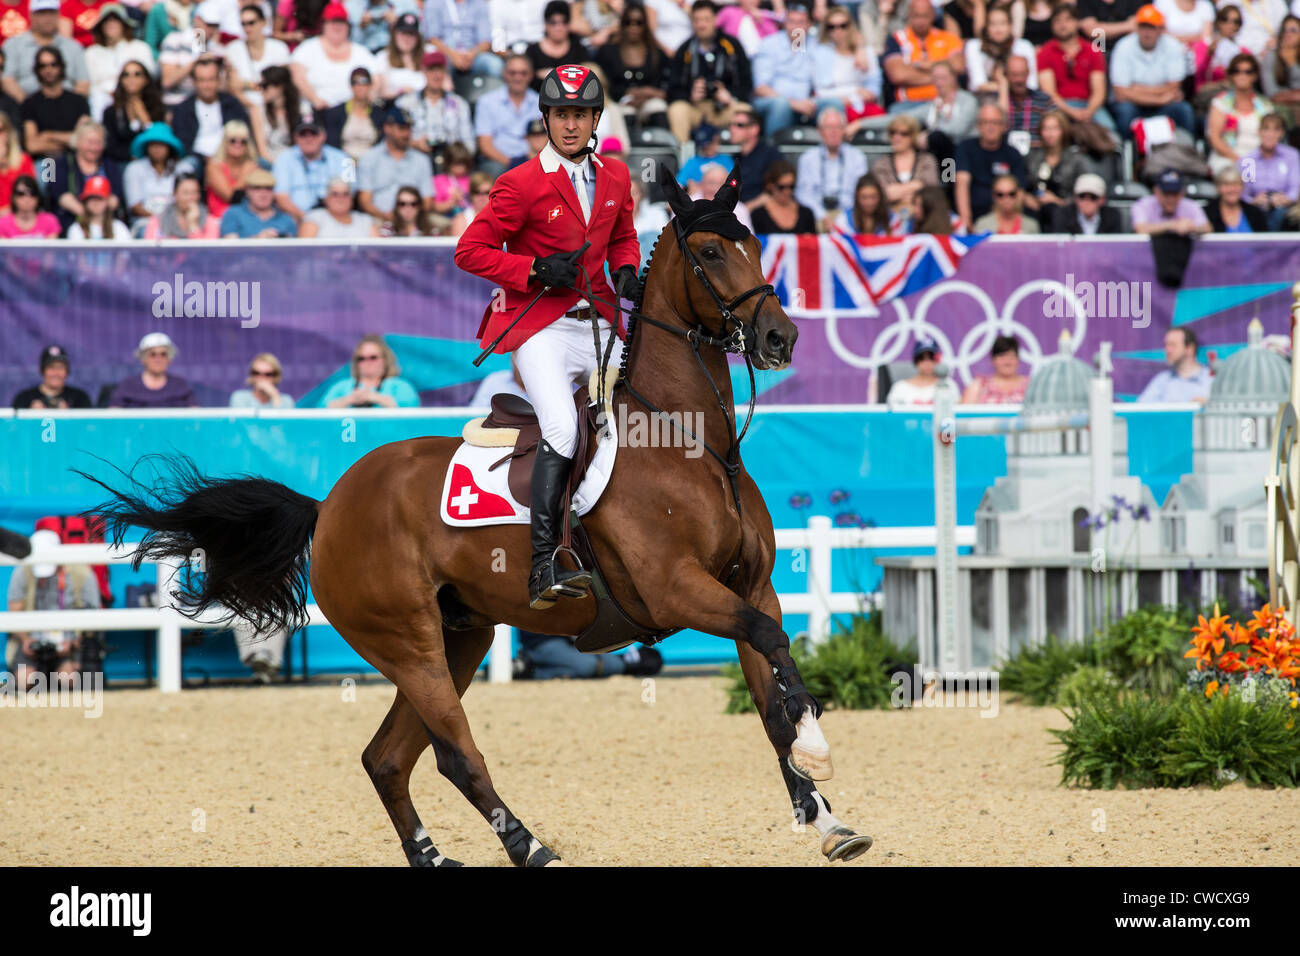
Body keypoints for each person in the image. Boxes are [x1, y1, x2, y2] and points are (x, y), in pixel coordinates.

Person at [454, 63, 640, 610]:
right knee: (561, 426)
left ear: (595, 119)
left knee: (639, 422)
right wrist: (533, 271)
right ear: (547, 118)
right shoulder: (520, 184)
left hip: (602, 323)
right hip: (544, 329)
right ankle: (544, 563)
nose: (570, 125)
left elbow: (624, 236)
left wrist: (626, 270)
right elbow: (469, 251)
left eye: (579, 114)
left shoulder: (616, 177)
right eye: (561, 114)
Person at [6, 528, 101, 692]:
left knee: (69, 679)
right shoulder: (23, 571)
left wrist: (74, 642)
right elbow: (15, 611)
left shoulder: (81, 573)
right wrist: (25, 640)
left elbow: (92, 614)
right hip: (31, 639)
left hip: (68, 641)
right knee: (23, 680)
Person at [664, 0, 752, 144]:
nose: (701, 25)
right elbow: (672, 90)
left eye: (706, 19)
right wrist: (690, 96)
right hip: (695, 108)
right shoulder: (684, 50)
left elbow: (746, 84)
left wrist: (730, 96)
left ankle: (744, 163)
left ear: (715, 20)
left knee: (745, 111)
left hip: (724, 108)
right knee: (677, 110)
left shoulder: (732, 46)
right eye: (697, 20)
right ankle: (684, 160)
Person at [1108, 4, 1194, 137]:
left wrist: (1134, 89)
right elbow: (1120, 93)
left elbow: (1174, 88)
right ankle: (1125, 153)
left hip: (1163, 106)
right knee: (1125, 111)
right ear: (1137, 28)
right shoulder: (1123, 46)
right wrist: (1160, 98)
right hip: (1135, 105)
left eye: (1152, 27)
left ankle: (1188, 151)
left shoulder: (1173, 45)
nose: (1147, 33)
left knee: (1184, 110)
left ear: (1160, 29)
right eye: (1143, 27)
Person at [881, 0, 964, 119]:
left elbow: (958, 66)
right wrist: (942, 75)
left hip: (945, 100)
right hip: (908, 103)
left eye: (925, 16)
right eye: (916, 16)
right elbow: (898, 75)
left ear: (933, 15)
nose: (920, 21)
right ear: (909, 15)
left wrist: (924, 65)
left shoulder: (948, 38)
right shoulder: (897, 39)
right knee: (896, 117)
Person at [291, 2, 379, 113]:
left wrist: (367, 98)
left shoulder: (361, 52)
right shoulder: (308, 48)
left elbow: (376, 79)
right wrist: (315, 99)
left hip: (352, 111)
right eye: (333, 22)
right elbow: (297, 77)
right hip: (317, 110)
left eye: (342, 22)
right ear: (324, 25)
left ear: (348, 26)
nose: (337, 26)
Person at [1037, 3, 1112, 132]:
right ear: (1052, 25)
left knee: (1110, 129)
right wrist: (1072, 112)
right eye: (1058, 21)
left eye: (1068, 19)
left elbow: (1099, 91)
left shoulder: (1093, 50)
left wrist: (1088, 112)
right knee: (1052, 128)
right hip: (1058, 106)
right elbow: (1049, 93)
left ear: (1077, 22)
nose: (1063, 25)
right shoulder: (1045, 52)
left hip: (1089, 105)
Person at [593, 2, 667, 128]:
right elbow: (605, 85)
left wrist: (646, 94)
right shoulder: (608, 51)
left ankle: (663, 147)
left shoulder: (656, 53)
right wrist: (628, 93)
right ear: (622, 24)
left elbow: (664, 84)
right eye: (628, 22)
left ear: (645, 25)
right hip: (620, 103)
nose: (633, 27)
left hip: (650, 101)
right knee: (625, 113)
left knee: (657, 107)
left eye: (638, 22)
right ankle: (624, 148)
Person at [750, 2, 818, 135]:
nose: (796, 27)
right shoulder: (768, 44)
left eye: (801, 22)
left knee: (831, 103)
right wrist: (793, 103)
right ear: (784, 23)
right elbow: (760, 88)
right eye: (791, 22)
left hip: (807, 102)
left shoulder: (816, 45)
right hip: (772, 101)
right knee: (781, 106)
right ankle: (773, 154)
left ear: (809, 24)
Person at [955, 101, 1025, 230]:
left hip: (1005, 212)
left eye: (995, 122)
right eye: (985, 122)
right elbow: (961, 183)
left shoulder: (1013, 153)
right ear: (978, 126)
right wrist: (965, 218)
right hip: (974, 211)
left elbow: (1019, 191)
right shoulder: (965, 148)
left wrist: (1012, 224)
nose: (990, 127)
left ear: (1004, 126)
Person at [1, 0, 89, 102]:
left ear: (58, 15)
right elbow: (7, 80)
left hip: (67, 106)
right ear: (31, 15)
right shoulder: (13, 45)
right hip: (25, 106)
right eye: (42, 13)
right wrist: (28, 106)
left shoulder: (72, 46)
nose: (47, 19)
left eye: (51, 13)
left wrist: (71, 106)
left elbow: (83, 82)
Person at [794, 105, 866, 231]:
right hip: (816, 217)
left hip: (850, 216)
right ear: (820, 131)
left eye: (838, 127)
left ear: (844, 130)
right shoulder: (807, 158)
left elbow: (861, 192)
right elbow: (803, 194)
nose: (833, 132)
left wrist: (843, 218)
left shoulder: (857, 157)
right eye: (828, 128)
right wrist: (822, 216)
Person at [813, 4, 884, 129]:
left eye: (843, 26)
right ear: (826, 29)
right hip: (834, 105)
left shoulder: (866, 51)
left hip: (862, 105)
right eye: (832, 27)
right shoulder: (821, 53)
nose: (837, 31)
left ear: (850, 26)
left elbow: (874, 89)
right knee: (834, 116)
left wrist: (860, 47)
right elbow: (820, 91)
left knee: (880, 117)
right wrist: (854, 93)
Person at [356, 104, 430, 218]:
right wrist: (387, 217)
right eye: (401, 128)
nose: (406, 134)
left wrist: (408, 219)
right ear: (387, 128)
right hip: (379, 219)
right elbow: (365, 202)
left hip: (415, 220)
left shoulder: (422, 160)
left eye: (409, 128)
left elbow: (428, 201)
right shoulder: (369, 158)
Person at [1205, 52, 1272, 177]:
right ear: (1231, 75)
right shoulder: (1220, 103)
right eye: (1237, 71)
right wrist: (1239, 160)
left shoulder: (1265, 106)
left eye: (1248, 71)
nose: (1242, 75)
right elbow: (1214, 138)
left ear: (1255, 75)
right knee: (1235, 178)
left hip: (1259, 157)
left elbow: (1272, 136)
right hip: (1228, 157)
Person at [170, 55, 250, 161]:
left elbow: (243, 134)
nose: (207, 85)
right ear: (194, 82)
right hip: (196, 160)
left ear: (218, 81)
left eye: (211, 79)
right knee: (186, 168)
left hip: (230, 159)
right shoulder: (182, 110)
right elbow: (182, 146)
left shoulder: (232, 104)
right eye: (202, 80)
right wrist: (207, 160)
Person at [271, 117, 350, 223]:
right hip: (297, 219)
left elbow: (350, 193)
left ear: (323, 135)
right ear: (295, 137)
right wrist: (307, 219)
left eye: (313, 133)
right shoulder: (282, 159)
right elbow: (281, 198)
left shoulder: (344, 158)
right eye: (303, 134)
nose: (309, 139)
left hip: (335, 217)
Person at [84, 3, 154, 121]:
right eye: (106, 21)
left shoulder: (140, 47)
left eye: (116, 20)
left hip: (136, 97)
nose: (111, 24)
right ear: (101, 26)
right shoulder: (91, 52)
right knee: (97, 98)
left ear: (124, 24)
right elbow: (90, 84)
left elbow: (148, 78)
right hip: (103, 100)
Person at [474, 51, 540, 176]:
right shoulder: (487, 102)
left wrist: (528, 163)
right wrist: (512, 164)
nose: (518, 77)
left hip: (532, 161)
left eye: (523, 73)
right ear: (504, 74)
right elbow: (485, 144)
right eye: (512, 73)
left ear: (531, 75)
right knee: (494, 170)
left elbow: (545, 141)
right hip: (500, 162)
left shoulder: (540, 103)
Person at [20, 43, 89, 160]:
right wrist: (68, 142)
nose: (48, 70)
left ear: (61, 66)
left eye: (53, 64)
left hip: (76, 160)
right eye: (43, 65)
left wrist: (48, 135)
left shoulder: (78, 101)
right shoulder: (30, 103)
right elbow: (32, 146)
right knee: (49, 174)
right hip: (47, 159)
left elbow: (82, 140)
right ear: (37, 69)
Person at [399, 51, 474, 157]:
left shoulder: (459, 104)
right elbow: (394, 139)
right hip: (416, 157)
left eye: (440, 70)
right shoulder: (406, 103)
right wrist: (414, 143)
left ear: (445, 72)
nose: (436, 75)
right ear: (424, 71)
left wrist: (455, 153)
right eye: (431, 70)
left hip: (451, 161)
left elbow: (469, 144)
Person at [1022, 109, 1088, 227]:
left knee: (1055, 213)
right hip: (1034, 210)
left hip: (1066, 213)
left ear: (1063, 131)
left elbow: (1084, 193)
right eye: (1046, 128)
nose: (1050, 133)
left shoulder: (1075, 160)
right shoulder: (1031, 157)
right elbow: (1021, 186)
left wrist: (1058, 201)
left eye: (1054, 128)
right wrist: (1027, 198)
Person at [871, 112, 940, 222]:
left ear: (913, 136)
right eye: (893, 132)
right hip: (889, 218)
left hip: (923, 217)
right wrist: (917, 185)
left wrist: (897, 192)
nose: (897, 137)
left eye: (903, 133)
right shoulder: (881, 163)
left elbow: (931, 191)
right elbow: (883, 194)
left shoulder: (926, 160)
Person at [514, 631, 663, 679]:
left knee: (591, 664)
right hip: (542, 639)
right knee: (589, 665)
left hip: (561, 641)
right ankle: (528, 667)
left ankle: (528, 667)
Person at [321, 333, 419, 406]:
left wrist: (375, 398)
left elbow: (410, 415)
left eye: (373, 357)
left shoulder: (400, 387)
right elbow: (320, 413)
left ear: (385, 360)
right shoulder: (341, 387)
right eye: (361, 358)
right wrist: (349, 399)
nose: (367, 362)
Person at [157, 1, 223, 108]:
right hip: (176, 105)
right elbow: (167, 81)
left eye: (216, 25)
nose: (212, 29)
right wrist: (197, 61)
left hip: (205, 107)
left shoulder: (214, 49)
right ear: (197, 20)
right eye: (209, 24)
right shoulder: (175, 40)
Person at [226, 4, 291, 110]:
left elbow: (282, 85)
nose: (247, 28)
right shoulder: (233, 48)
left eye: (251, 23)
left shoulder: (279, 47)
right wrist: (254, 108)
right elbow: (233, 87)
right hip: (244, 107)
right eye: (243, 24)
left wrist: (247, 85)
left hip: (275, 108)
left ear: (264, 22)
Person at [109, 331, 200, 407]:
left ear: (169, 359)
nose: (158, 359)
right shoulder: (127, 386)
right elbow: (112, 419)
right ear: (143, 359)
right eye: (153, 354)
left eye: (163, 354)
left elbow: (196, 417)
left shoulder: (180, 386)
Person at [964, 3, 1036, 96]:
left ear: (1010, 26)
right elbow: (978, 84)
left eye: (1003, 23)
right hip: (984, 98)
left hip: (1020, 98)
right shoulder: (974, 46)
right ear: (986, 27)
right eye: (993, 24)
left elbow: (1032, 84)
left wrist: (1005, 88)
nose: (998, 29)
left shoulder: (1024, 46)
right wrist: (1006, 87)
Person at [1242, 113, 1298, 230]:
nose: (1270, 134)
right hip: (1258, 206)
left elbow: (1295, 186)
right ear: (1259, 132)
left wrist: (1286, 199)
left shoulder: (1291, 156)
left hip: (1285, 206)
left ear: (1281, 133)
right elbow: (1245, 192)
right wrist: (1253, 200)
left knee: (1285, 214)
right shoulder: (1249, 160)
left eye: (1276, 130)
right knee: (1254, 214)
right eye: (1266, 129)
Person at [100, 57, 163, 162]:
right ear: (121, 80)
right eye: (126, 75)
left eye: (137, 74)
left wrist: (146, 120)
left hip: (151, 161)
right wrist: (132, 157)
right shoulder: (111, 111)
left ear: (146, 80)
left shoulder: (157, 108)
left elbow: (159, 140)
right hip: (121, 162)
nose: (131, 79)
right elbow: (111, 146)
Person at [204, 118, 268, 218]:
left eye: (243, 141)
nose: (238, 144)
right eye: (233, 140)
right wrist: (245, 174)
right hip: (220, 219)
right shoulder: (214, 167)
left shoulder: (253, 167)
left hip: (249, 218)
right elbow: (230, 197)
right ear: (225, 142)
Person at [123, 119, 185, 221]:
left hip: (176, 220)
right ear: (147, 146)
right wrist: (158, 221)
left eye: (161, 144)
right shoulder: (134, 169)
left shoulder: (181, 168)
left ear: (169, 147)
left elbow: (186, 201)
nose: (157, 148)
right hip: (145, 221)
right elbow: (135, 206)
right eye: (153, 144)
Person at [920, 59, 977, 166]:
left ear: (953, 77)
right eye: (936, 78)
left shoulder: (968, 101)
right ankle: (943, 179)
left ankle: (949, 180)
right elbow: (901, 117)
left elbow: (958, 129)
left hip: (966, 154)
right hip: (943, 158)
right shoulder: (933, 105)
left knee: (937, 137)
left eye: (943, 78)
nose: (939, 83)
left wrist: (928, 135)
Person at [425, 0, 499, 80]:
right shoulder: (434, 2)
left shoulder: (479, 4)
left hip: (473, 54)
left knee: (495, 65)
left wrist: (471, 54)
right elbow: (433, 38)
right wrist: (453, 55)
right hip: (445, 53)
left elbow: (486, 41)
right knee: (436, 65)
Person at [1136, 325, 1211, 403]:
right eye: (1166, 345)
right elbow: (1140, 409)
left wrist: (1209, 405)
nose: (1168, 350)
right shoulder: (1161, 380)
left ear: (1190, 349)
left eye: (1173, 345)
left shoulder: (1211, 379)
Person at [219, 164, 298, 235]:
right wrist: (258, 240)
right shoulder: (233, 214)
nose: (263, 194)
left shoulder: (286, 219)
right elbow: (229, 246)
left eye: (268, 188)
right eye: (257, 188)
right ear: (247, 191)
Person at [526, 1, 588, 89]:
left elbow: (585, 80)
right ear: (545, 24)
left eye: (564, 22)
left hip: (572, 100)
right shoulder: (532, 51)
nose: (559, 27)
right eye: (553, 22)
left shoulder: (579, 49)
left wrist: (550, 74)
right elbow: (526, 80)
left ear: (569, 24)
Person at [1192, 5, 1248, 103]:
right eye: (1225, 19)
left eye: (1236, 21)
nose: (1231, 25)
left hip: (1234, 93)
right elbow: (1199, 76)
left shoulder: (1243, 50)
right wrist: (1209, 55)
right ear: (1218, 22)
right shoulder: (1204, 45)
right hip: (1210, 93)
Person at [1130, 167, 1210, 234]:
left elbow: (1207, 228)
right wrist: (1172, 225)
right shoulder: (1143, 205)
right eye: (1166, 193)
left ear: (1182, 192)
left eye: (1175, 193)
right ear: (1156, 191)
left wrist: (1193, 228)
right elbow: (1140, 229)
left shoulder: (1191, 205)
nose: (1171, 199)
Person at [728, 103, 779, 208]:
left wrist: (746, 209)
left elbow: (777, 190)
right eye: (731, 125)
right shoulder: (733, 158)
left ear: (754, 129)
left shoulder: (771, 154)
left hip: (762, 214)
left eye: (739, 125)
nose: (732, 129)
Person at [11, 344, 92, 408]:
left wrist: (68, 416)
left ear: (67, 371)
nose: (56, 373)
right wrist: (31, 415)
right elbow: (13, 426)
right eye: (51, 367)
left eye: (60, 368)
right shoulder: (24, 399)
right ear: (42, 370)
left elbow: (89, 426)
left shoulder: (79, 399)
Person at [144, 170, 222, 236]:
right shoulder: (158, 221)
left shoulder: (209, 222)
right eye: (186, 193)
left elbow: (207, 251)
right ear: (175, 194)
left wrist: (193, 225)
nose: (190, 198)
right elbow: (151, 250)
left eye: (194, 192)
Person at [1000, 54, 1053, 150]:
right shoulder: (998, 99)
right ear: (1006, 75)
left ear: (1028, 73)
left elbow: (1057, 130)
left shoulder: (1044, 100)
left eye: (1022, 74)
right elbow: (999, 125)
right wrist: (1003, 89)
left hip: (1037, 153)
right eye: (1014, 75)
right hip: (1006, 155)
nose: (1019, 80)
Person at [749, 160, 815, 234]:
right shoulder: (758, 215)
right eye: (781, 187)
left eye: (791, 186)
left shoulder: (806, 213)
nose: (787, 192)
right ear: (770, 186)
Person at [300, 173, 378, 234]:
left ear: (352, 198)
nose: (340, 199)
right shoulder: (315, 218)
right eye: (335, 194)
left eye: (345, 194)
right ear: (326, 198)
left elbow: (377, 252)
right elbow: (304, 251)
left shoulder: (365, 221)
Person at [1048, 170, 1123, 232]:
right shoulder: (1062, 216)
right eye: (1082, 196)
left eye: (1093, 197)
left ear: (1102, 200)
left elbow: (1114, 247)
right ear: (1076, 198)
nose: (1087, 201)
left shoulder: (1112, 217)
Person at [250, 64, 298, 160]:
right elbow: (262, 151)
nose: (261, 90)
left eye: (264, 86)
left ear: (280, 87)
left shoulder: (300, 109)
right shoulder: (257, 111)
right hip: (270, 162)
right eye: (259, 85)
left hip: (295, 161)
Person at [961, 334, 1028, 403]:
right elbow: (965, 412)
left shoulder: (1030, 387)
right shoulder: (979, 385)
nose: (1007, 361)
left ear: (1018, 359)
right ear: (993, 359)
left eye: (1012, 356)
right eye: (1002, 356)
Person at [1262, 15, 1300, 129]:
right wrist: (1295, 96)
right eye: (1284, 30)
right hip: (1280, 108)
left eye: (1293, 30)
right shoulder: (1271, 56)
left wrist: (1291, 64)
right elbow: (1271, 92)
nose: (1288, 34)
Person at [1205, 163, 1266, 231]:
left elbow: (1265, 239)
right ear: (1217, 187)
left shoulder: (1255, 213)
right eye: (1226, 184)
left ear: (1242, 186)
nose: (1232, 189)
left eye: (1236, 184)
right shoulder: (1206, 214)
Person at [375, 10, 422, 100]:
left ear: (417, 37)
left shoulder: (428, 54)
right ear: (395, 34)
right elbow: (379, 93)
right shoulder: (383, 57)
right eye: (403, 33)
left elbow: (447, 86)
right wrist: (401, 93)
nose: (407, 38)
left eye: (411, 34)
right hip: (393, 108)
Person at [65, 171, 130, 235]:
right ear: (86, 201)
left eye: (100, 198)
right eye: (92, 198)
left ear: (107, 201)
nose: (96, 202)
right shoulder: (76, 229)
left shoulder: (119, 228)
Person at [973, 171, 1040, 232]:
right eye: (1000, 194)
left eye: (1011, 194)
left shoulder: (1031, 226)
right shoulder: (983, 225)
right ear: (993, 196)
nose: (1006, 199)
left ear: (1019, 194)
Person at [887, 336, 944, 405]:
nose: (927, 362)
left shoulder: (948, 386)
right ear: (915, 361)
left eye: (931, 357)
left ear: (938, 360)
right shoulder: (900, 387)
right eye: (921, 358)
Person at [676, 121, 730, 189]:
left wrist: (728, 187)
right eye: (703, 145)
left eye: (710, 143)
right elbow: (677, 186)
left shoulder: (726, 160)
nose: (707, 147)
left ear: (717, 138)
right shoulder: (692, 162)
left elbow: (736, 182)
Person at [230, 351, 296, 407]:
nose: (262, 378)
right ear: (251, 375)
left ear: (275, 376)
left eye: (267, 374)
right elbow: (242, 421)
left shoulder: (286, 401)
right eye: (256, 373)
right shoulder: (239, 397)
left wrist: (275, 396)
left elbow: (284, 421)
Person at [0, 109, 34, 212]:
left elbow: (29, 198)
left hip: (18, 219)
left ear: (7, 133)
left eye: (0, 130)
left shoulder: (23, 160)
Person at [432, 139, 473, 218]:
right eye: (457, 164)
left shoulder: (471, 180)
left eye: (463, 163)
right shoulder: (438, 181)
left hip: (468, 218)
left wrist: (464, 198)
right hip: (446, 218)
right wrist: (453, 202)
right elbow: (434, 207)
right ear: (448, 163)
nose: (460, 168)